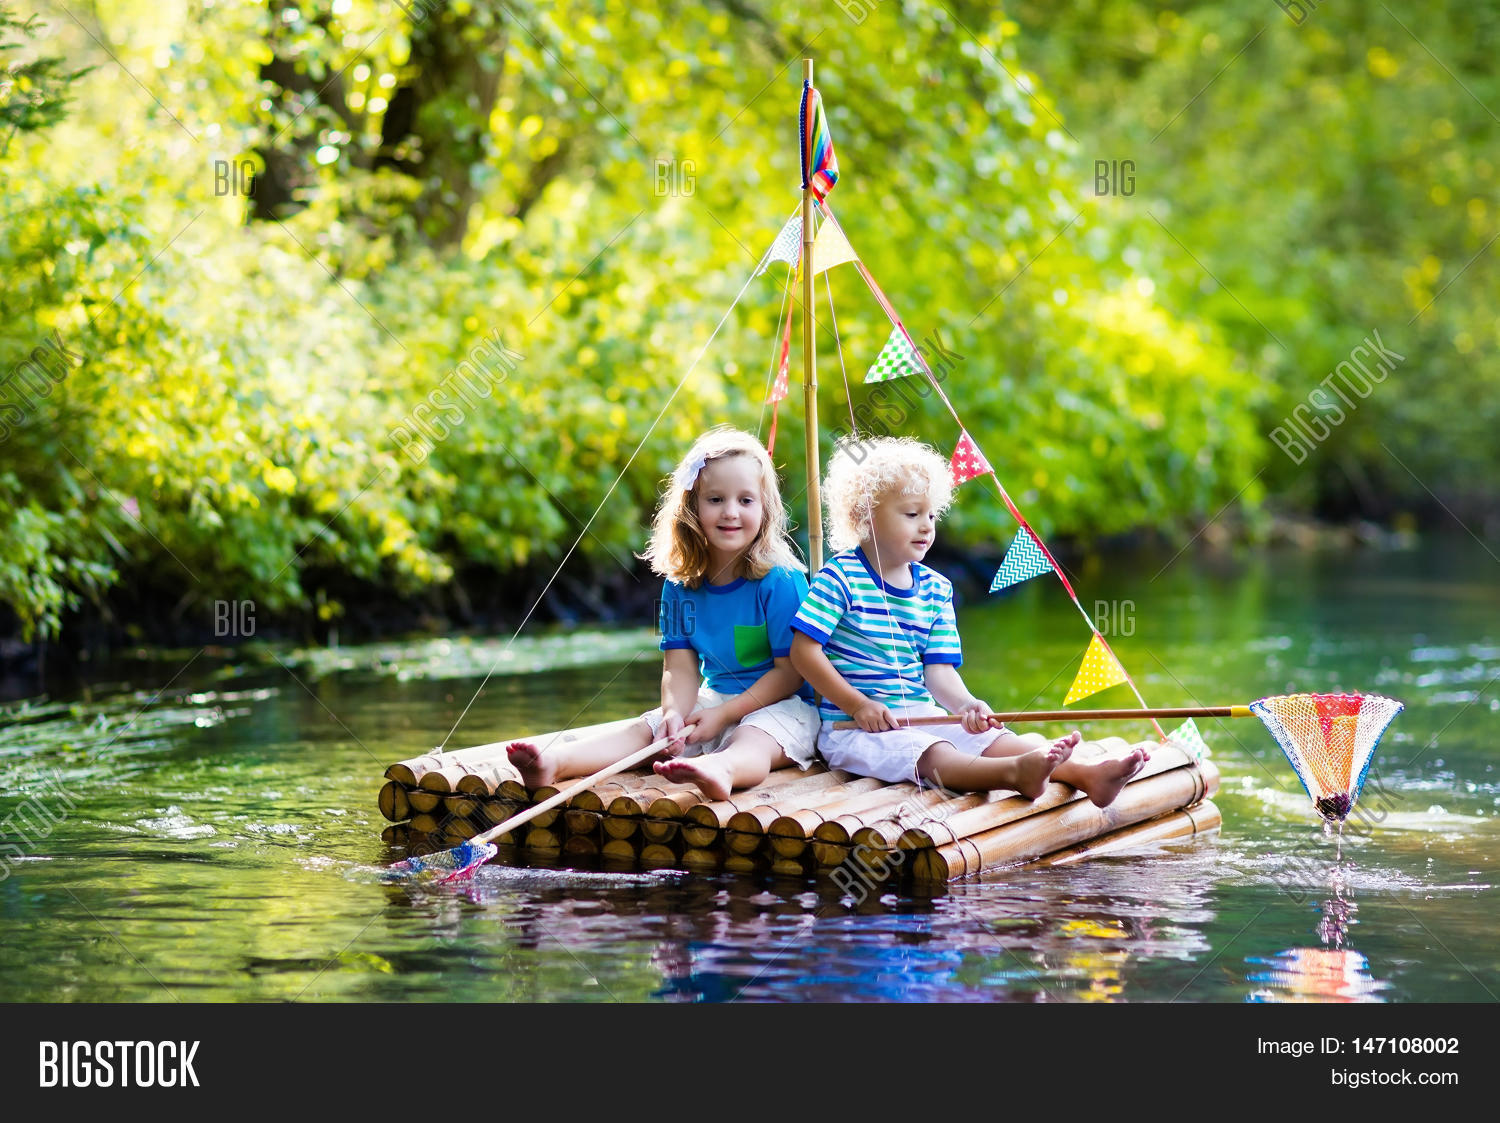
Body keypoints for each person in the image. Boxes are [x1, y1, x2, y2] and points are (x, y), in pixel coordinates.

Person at [789, 436, 1147, 804]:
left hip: (922, 715)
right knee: (934, 753)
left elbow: (939, 672)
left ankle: (1088, 775)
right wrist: (857, 705)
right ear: (865, 516)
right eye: (912, 514)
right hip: (854, 730)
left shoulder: (936, 589)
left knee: (992, 738)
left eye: (931, 515)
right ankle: (1014, 774)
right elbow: (803, 651)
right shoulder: (840, 577)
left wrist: (965, 705)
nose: (926, 526)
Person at [507, 427, 819, 801]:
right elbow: (679, 668)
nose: (730, 512)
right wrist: (673, 713)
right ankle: (556, 762)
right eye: (715, 499)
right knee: (650, 730)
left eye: (746, 500)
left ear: (765, 508)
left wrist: (725, 716)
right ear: (692, 507)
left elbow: (790, 674)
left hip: (785, 707)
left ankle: (723, 768)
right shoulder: (680, 586)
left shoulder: (780, 580)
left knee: (753, 737)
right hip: (717, 699)